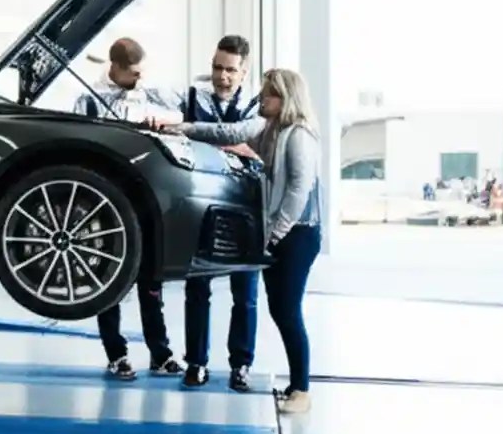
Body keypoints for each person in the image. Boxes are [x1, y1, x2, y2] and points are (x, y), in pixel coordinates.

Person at [158, 68, 323, 414]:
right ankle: (296, 386)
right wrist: (185, 129)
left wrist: (275, 234)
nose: (261, 99)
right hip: (282, 234)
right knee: (280, 310)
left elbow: (298, 188)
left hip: (299, 234)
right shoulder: (270, 130)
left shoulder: (298, 135)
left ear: (285, 98)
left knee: (288, 311)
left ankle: (302, 391)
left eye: (268, 95)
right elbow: (228, 133)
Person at [150, 35, 262, 392]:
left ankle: (241, 364)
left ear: (244, 72)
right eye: (217, 67)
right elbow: (148, 95)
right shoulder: (192, 96)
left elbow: (253, 145)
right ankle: (196, 362)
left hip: (247, 209)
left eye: (230, 70)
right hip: (203, 206)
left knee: (245, 294)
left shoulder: (260, 105)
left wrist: (202, 139)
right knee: (196, 289)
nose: (222, 76)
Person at [73, 37, 185, 381]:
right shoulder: (87, 101)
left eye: (142, 72)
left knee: (152, 282)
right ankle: (116, 354)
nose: (139, 78)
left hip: (146, 198)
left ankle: (160, 353)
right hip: (105, 206)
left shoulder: (149, 92)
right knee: (110, 283)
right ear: (116, 68)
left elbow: (180, 114)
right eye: (133, 74)